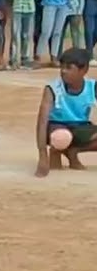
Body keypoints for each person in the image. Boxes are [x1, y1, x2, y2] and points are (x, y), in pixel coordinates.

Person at [34, 47, 97, 178]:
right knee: (61, 137)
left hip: (80, 126)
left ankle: (73, 151)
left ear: (83, 70)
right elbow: (42, 122)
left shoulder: (93, 87)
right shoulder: (52, 89)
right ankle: (56, 151)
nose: (63, 71)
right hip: (57, 127)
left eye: (69, 68)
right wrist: (42, 156)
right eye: (61, 67)